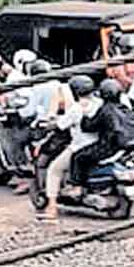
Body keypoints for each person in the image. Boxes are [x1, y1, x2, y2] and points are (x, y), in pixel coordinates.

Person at [39, 75, 99, 221]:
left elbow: (60, 125)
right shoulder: (100, 103)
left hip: (79, 147)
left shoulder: (76, 109)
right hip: (100, 146)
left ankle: (51, 208)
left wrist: (47, 125)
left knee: (54, 169)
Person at [71, 79, 134, 191]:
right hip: (130, 148)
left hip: (109, 148)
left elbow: (88, 127)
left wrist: (84, 113)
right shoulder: (126, 109)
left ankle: (77, 188)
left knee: (78, 157)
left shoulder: (106, 110)